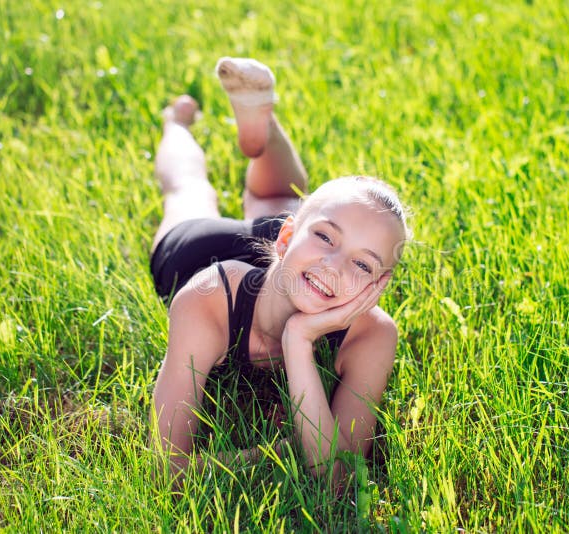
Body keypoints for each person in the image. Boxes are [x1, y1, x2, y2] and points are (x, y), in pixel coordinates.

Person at [149, 57, 409, 483]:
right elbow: (165, 469)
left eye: (363, 262)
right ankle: (176, 123)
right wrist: (293, 448)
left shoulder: (374, 334)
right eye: (328, 237)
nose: (335, 265)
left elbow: (338, 477)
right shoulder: (204, 300)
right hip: (205, 256)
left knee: (284, 204)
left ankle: (260, 117)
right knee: (189, 189)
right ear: (283, 241)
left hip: (291, 261)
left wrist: (299, 339)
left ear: (379, 286)